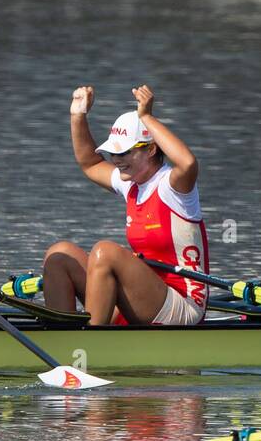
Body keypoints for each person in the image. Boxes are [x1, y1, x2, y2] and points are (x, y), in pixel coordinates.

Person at [42, 85, 208, 326]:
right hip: (145, 294)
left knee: (105, 252)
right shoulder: (130, 183)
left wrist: (147, 117)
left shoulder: (174, 187)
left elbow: (188, 162)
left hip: (183, 305)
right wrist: (78, 116)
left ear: (151, 149)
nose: (116, 160)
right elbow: (90, 163)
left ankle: (90, 346)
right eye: (113, 154)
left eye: (124, 153)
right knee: (59, 255)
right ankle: (63, 341)